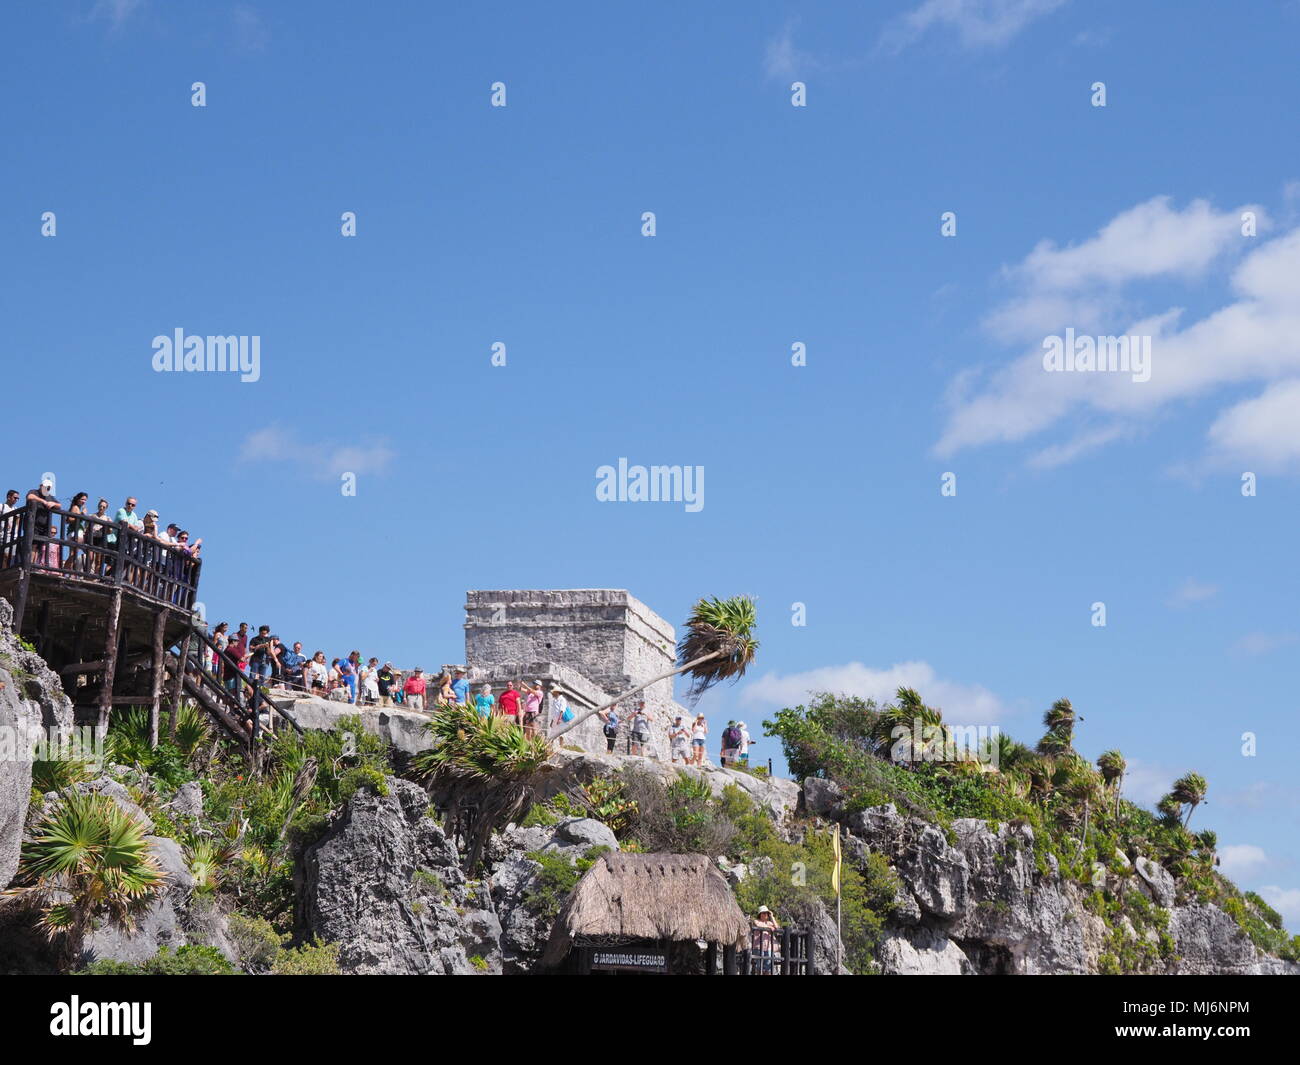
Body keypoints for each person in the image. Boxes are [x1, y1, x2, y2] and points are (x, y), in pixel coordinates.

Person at [26, 479, 61, 568]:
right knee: (32, 545)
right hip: (33, 524)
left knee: (39, 546)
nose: (47, 490)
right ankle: (29, 565)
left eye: (48, 488)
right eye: (45, 487)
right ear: (41, 486)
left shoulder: (49, 496)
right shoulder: (34, 492)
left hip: (44, 526)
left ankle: (34, 565)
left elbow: (59, 505)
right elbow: (30, 497)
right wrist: (43, 501)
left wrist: (52, 503)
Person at [62, 492, 89, 571]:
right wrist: (82, 514)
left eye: (85, 500)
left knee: (73, 554)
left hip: (76, 532)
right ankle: (64, 570)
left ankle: (68, 571)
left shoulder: (77, 508)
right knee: (75, 554)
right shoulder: (75, 507)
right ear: (78, 499)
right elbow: (70, 519)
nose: (84, 501)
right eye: (82, 499)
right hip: (75, 532)